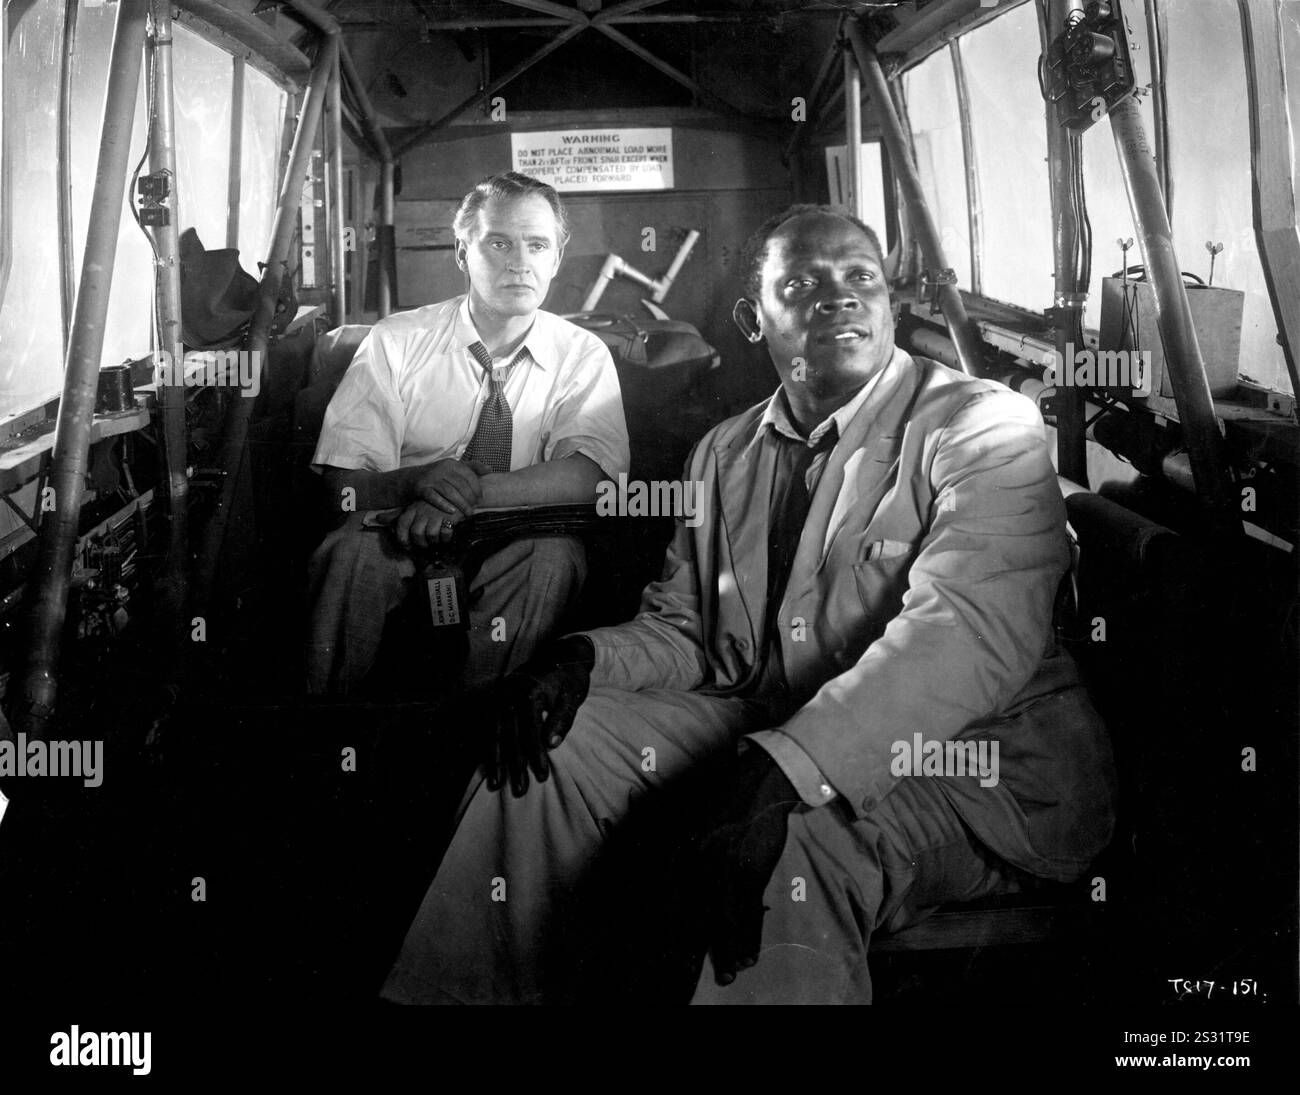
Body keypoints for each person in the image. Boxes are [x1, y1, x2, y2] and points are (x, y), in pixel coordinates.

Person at [380, 204, 1117, 1004]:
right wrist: (579, 660)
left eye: (860, 279)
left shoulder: (981, 426)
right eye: (801, 283)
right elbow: (691, 631)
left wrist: (781, 771)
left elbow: (961, 640)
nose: (837, 299)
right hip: (766, 711)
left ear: (890, 305)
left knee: (789, 845)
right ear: (752, 319)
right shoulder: (724, 450)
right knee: (547, 745)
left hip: (978, 765)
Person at [305, 172, 629, 694]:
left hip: (516, 535)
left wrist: (462, 498)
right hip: (399, 528)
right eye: (498, 242)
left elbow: (591, 479)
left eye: (537, 245)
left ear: (556, 258)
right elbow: (340, 486)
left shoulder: (583, 354)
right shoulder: (397, 341)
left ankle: (486, 734)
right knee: (348, 552)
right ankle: (330, 726)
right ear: (462, 252)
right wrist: (416, 482)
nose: (519, 261)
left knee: (553, 556)